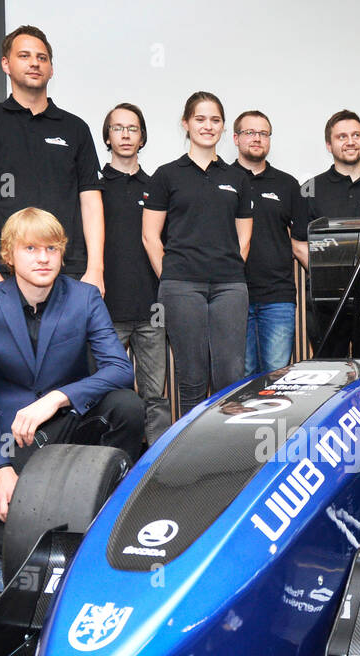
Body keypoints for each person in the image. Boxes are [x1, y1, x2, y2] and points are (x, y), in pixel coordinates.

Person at [0, 208, 142, 552]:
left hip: (71, 420)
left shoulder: (83, 297)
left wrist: (57, 397)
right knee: (17, 546)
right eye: (30, 249)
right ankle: (39, 489)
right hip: (15, 434)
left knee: (127, 406)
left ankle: (108, 500)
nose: (43, 258)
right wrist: (0, 471)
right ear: (8, 255)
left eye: (52, 249)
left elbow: (120, 368)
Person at [0, 25, 104, 290]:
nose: (34, 63)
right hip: (5, 273)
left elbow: (91, 203)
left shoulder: (75, 128)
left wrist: (96, 269)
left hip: (69, 271)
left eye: (42, 57)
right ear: (6, 64)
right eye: (24, 56)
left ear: (51, 68)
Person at [142, 92, 253, 418]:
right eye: (200, 119)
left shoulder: (237, 178)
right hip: (180, 285)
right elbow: (150, 236)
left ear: (222, 126)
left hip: (230, 286)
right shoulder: (166, 175)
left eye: (215, 120)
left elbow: (244, 238)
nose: (208, 126)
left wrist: (226, 271)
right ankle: (194, 457)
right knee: (191, 378)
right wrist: (173, 277)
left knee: (230, 377)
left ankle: (229, 452)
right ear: (186, 123)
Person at [100, 102, 167, 445]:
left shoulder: (158, 186)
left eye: (133, 129)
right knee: (111, 395)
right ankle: (113, 465)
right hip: (106, 308)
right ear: (107, 137)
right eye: (118, 128)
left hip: (152, 309)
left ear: (142, 137)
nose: (125, 135)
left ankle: (154, 468)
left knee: (155, 396)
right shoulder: (93, 187)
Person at [233, 110, 308, 375]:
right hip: (232, 296)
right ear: (235, 138)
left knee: (276, 380)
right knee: (240, 381)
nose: (257, 138)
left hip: (278, 298)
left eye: (263, 133)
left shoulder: (288, 184)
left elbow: (300, 243)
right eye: (249, 132)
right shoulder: (222, 180)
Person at [303, 110, 360, 222]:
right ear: (329, 145)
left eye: (356, 135)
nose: (351, 142)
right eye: (342, 137)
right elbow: (299, 238)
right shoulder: (309, 189)